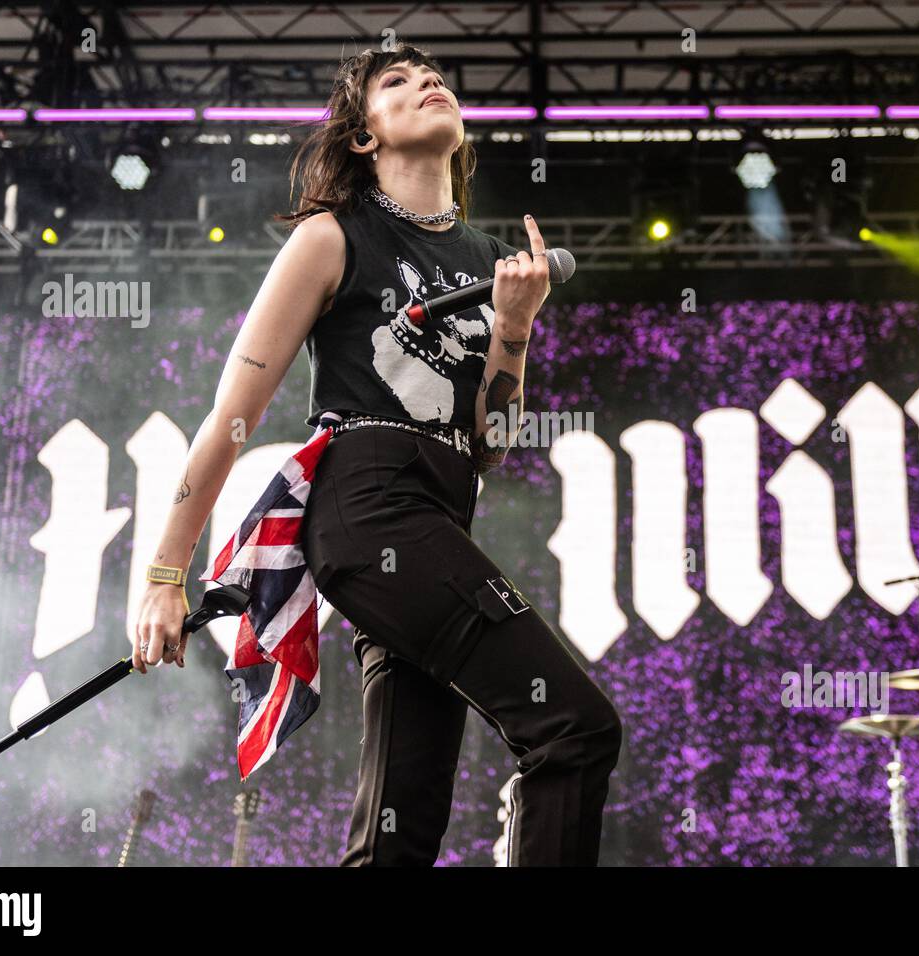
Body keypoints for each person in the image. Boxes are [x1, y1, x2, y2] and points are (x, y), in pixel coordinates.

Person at [131, 43, 622, 867]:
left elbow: (493, 445)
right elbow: (231, 416)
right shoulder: (332, 238)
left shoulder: (487, 257)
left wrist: (514, 329)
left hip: (435, 525)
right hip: (368, 511)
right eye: (397, 81)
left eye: (434, 75)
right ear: (364, 136)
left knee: (403, 828)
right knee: (574, 726)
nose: (428, 82)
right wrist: (163, 575)